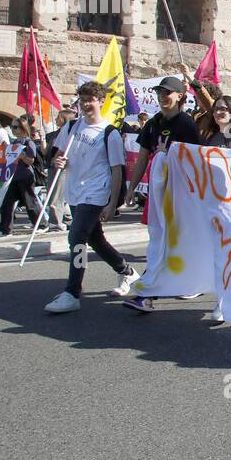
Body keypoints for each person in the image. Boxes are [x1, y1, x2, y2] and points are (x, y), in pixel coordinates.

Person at [43, 82, 140, 313]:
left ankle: (72, 293)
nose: (86, 104)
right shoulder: (71, 127)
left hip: (96, 192)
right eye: (83, 99)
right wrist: (57, 162)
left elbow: (117, 170)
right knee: (95, 239)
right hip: (75, 191)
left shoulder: (110, 133)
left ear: (101, 101)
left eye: (91, 99)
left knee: (76, 237)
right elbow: (57, 155)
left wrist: (112, 202)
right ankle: (127, 272)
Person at [121, 77, 201, 313]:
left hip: (180, 194)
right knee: (159, 240)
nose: (162, 96)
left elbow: (195, 160)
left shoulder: (187, 124)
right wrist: (132, 187)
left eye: (168, 92)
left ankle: (148, 292)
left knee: (167, 242)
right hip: (159, 193)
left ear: (179, 96)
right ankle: (154, 289)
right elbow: (144, 156)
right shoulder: (153, 123)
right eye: (159, 92)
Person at [0, 115, 44, 236]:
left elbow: (31, 161)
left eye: (16, 127)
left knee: (30, 202)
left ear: (23, 128)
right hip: (14, 176)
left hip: (25, 176)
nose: (13, 130)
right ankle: (5, 229)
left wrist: (22, 156)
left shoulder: (28, 142)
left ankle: (41, 224)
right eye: (12, 127)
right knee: (8, 203)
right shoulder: (15, 142)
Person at [44, 108, 74, 231]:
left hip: (62, 168)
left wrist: (57, 159)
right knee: (58, 195)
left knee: (56, 196)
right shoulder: (54, 134)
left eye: (58, 117)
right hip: (52, 165)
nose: (56, 119)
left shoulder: (69, 133)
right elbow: (47, 152)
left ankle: (55, 223)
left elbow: (63, 151)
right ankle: (69, 219)